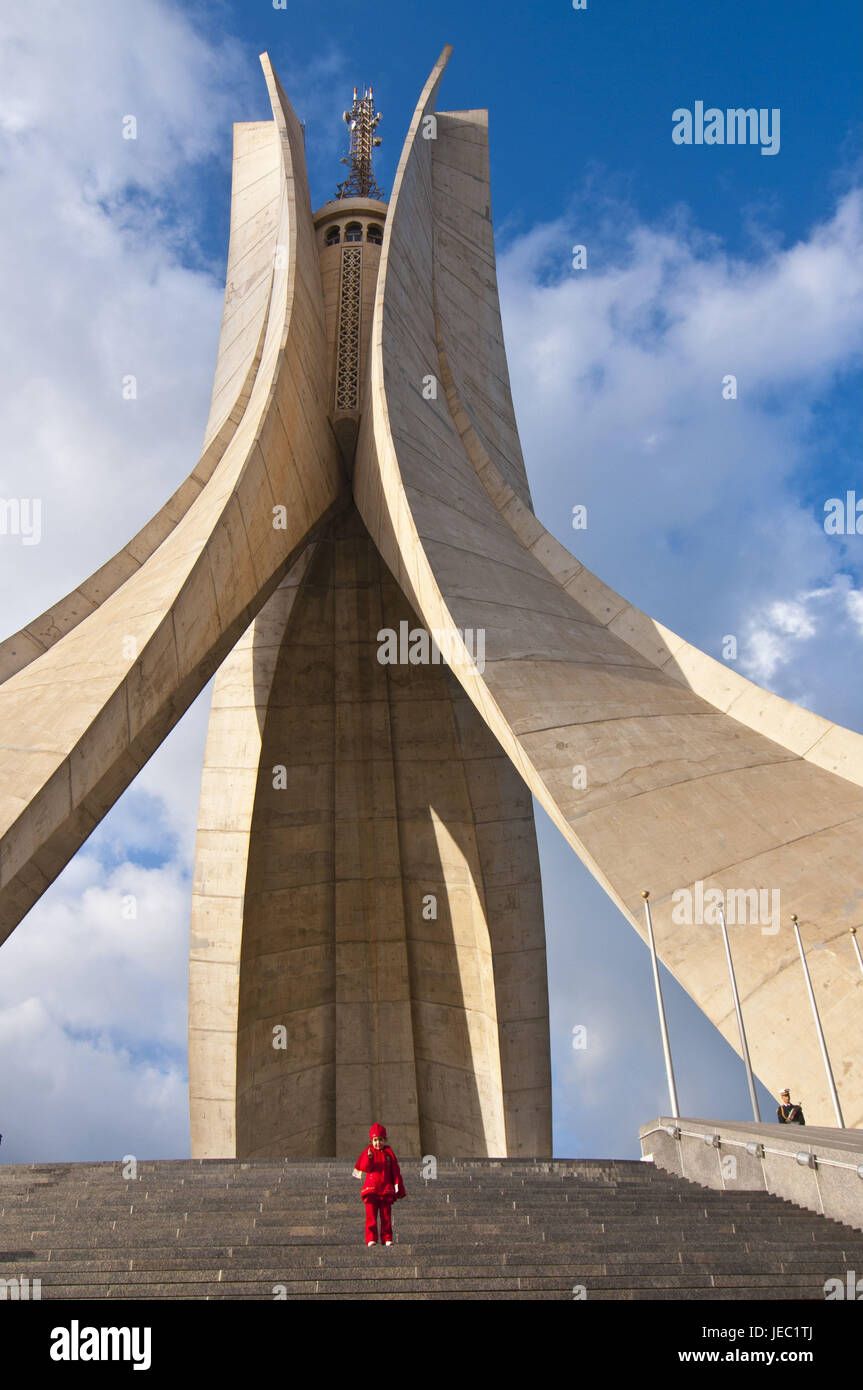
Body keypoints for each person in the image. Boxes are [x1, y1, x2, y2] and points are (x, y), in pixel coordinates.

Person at [351, 1122, 405, 1246]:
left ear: (384, 1140)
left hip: (386, 1189)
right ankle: (371, 1238)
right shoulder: (369, 1152)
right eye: (375, 1140)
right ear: (371, 1141)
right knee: (371, 1217)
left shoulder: (389, 1154)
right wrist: (369, 1158)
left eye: (380, 1140)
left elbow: (395, 1171)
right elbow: (365, 1168)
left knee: (386, 1216)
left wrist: (399, 1187)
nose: (378, 1143)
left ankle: (387, 1238)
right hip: (372, 1189)